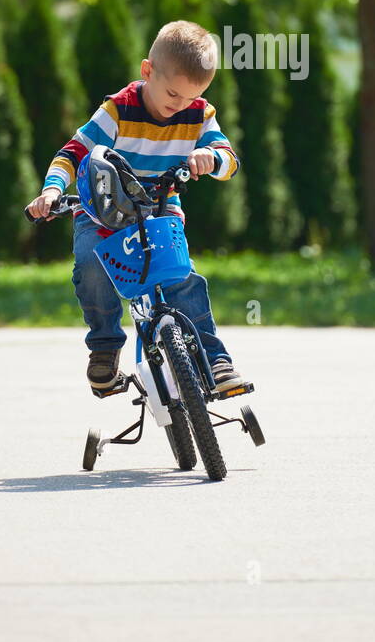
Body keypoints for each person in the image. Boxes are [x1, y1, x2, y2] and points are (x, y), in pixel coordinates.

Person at [26, 20, 244, 397]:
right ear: (147, 71)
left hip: (159, 206)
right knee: (93, 265)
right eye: (173, 94)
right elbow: (71, 154)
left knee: (181, 278)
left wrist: (211, 156)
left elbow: (229, 160)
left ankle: (214, 359)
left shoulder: (199, 114)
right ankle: (106, 349)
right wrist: (51, 190)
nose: (180, 106)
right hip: (103, 208)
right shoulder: (118, 110)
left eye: (192, 98)